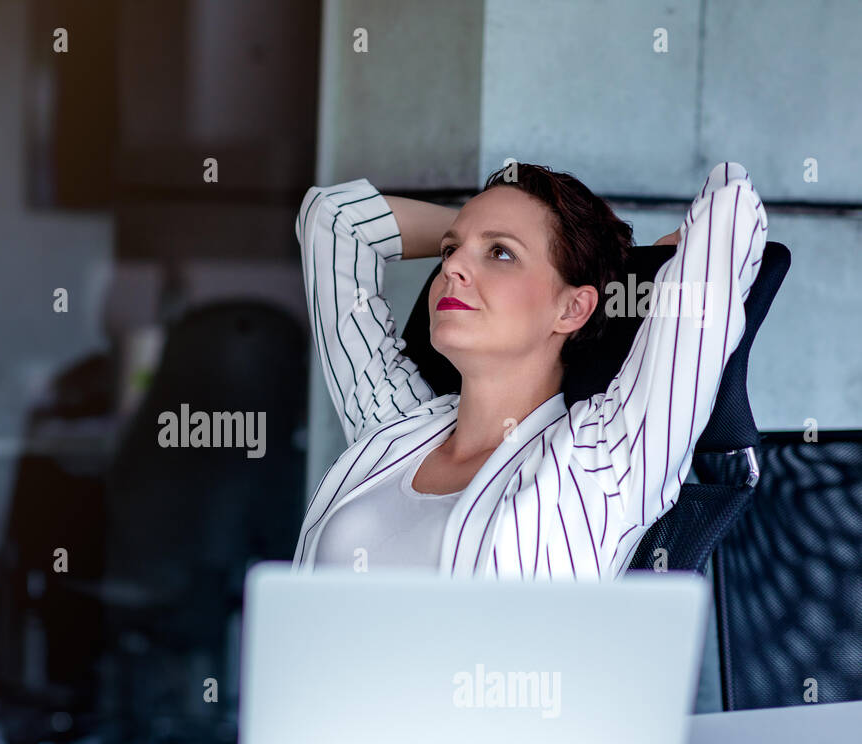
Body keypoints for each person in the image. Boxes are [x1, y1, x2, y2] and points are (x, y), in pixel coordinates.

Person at [295, 160, 768, 579]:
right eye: (448, 250)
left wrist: (641, 265)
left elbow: (730, 206)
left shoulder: (605, 455)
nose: (453, 265)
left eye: (501, 253)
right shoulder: (395, 426)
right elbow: (335, 219)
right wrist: (478, 228)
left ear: (572, 309)